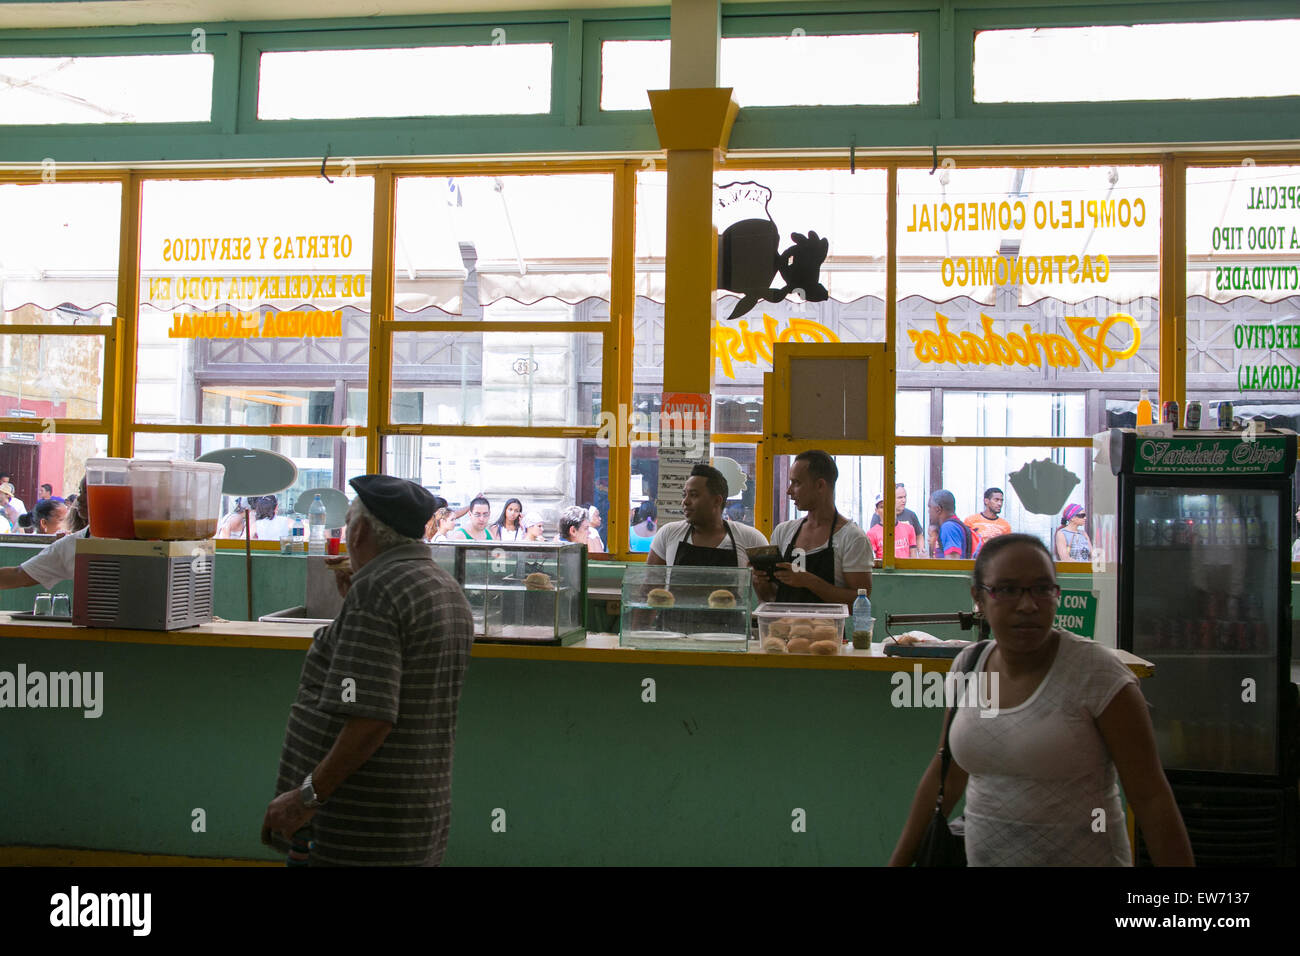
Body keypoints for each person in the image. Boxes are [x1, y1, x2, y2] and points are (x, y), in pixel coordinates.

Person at [890, 534, 1193, 866]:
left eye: (1042, 589)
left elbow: (1151, 799)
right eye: (1007, 589)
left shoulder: (1097, 674)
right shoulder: (970, 666)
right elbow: (946, 776)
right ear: (978, 597)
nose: (1028, 605)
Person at [262, 475, 473, 867]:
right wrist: (354, 605)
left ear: (357, 531)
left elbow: (370, 719)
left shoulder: (377, 592)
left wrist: (306, 796)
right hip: (414, 815)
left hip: (358, 828)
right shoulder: (443, 586)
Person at [754, 450, 872, 607]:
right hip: (782, 629)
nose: (789, 491)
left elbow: (859, 602)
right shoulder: (783, 531)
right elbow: (771, 597)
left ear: (820, 485)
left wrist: (809, 581)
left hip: (826, 630)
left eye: (796, 483)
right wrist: (759, 583)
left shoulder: (852, 538)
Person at [647, 463, 768, 567]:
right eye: (685, 495)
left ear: (717, 501)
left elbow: (769, 591)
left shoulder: (752, 539)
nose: (685, 501)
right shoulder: (668, 533)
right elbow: (649, 588)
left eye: (694, 495)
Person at [0, 480, 91, 591]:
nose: (79, 499)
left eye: (87, 492)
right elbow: (19, 575)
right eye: (81, 491)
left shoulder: (75, 542)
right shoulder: (71, 544)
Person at [866, 493, 920, 560]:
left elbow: (913, 556)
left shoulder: (909, 529)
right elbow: (871, 560)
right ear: (876, 511)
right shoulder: (871, 533)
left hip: (905, 569)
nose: (887, 509)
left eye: (889, 505)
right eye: (882, 507)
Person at [929, 489, 976, 559]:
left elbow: (952, 561)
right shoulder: (956, 525)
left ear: (938, 509)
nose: (928, 511)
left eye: (929, 507)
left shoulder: (949, 527)